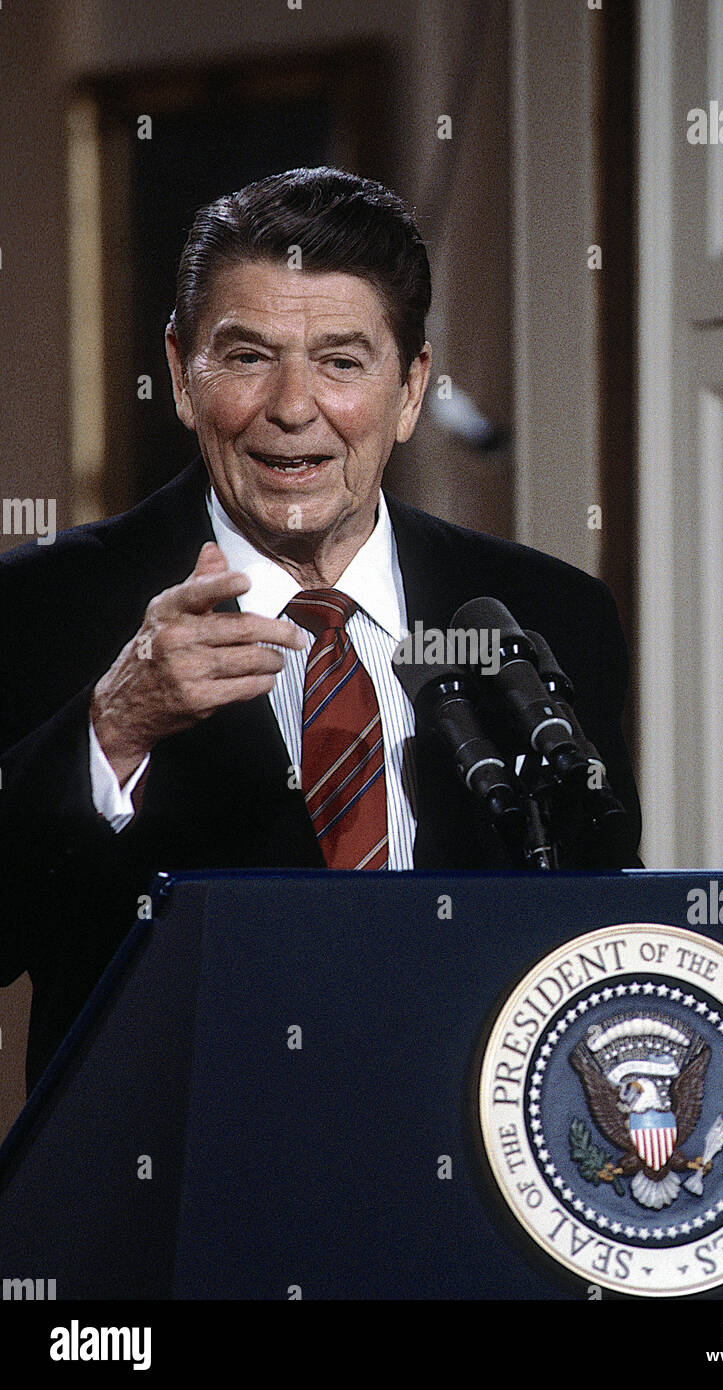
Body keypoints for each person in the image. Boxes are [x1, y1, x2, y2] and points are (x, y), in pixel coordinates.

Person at [0, 167, 641, 1092]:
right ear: (182, 375)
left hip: (468, 1183)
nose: (293, 407)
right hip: (177, 1199)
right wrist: (114, 726)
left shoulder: (546, 613)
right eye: (248, 357)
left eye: (341, 361)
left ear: (410, 389)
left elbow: (602, 928)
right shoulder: (43, 606)